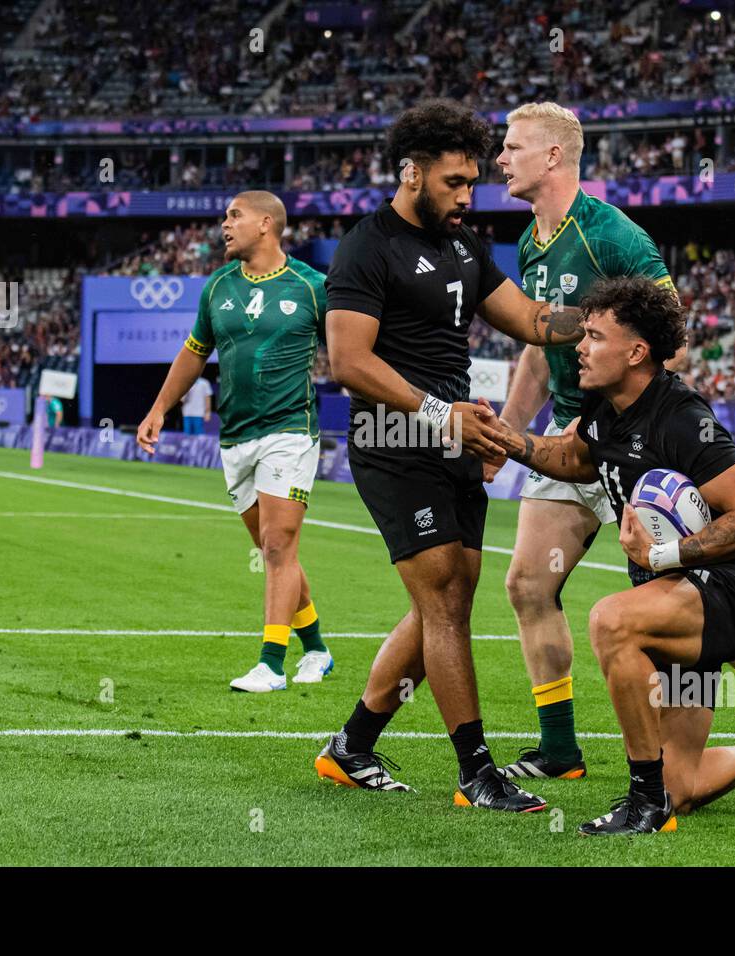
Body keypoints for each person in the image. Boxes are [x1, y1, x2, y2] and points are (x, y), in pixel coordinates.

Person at [491, 276, 735, 835]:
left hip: (728, 593)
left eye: (595, 337)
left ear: (636, 352)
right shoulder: (603, 404)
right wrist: (505, 439)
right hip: (674, 596)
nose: (580, 347)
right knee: (686, 787)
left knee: (611, 621)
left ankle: (644, 802)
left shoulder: (681, 417)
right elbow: (574, 458)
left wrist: (662, 555)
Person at [314, 100, 582, 812]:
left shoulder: (464, 246)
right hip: (396, 441)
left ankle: (352, 746)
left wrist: (608, 316)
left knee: (447, 601)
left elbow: (531, 320)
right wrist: (438, 415)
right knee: (443, 604)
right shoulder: (366, 246)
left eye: (472, 183)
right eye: (454, 182)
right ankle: (476, 773)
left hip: (458, 439)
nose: (467, 197)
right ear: (412, 172)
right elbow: (348, 361)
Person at [491, 101, 675, 780]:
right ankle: (560, 749)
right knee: (527, 584)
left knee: (675, 608)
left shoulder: (611, 236)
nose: (500, 159)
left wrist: (604, 419)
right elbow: (539, 354)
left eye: (512, 147)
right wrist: (508, 434)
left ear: (553, 156)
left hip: (629, 446)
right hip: (567, 443)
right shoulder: (530, 244)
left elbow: (672, 338)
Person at [137, 190, 332, 693]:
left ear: (266, 223)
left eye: (234, 215)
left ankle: (271, 664)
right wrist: (159, 408)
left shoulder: (313, 287)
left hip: (290, 430)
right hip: (235, 437)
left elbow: (353, 347)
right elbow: (193, 352)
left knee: (278, 544)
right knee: (272, 551)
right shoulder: (218, 286)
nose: (224, 224)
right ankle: (316, 649)